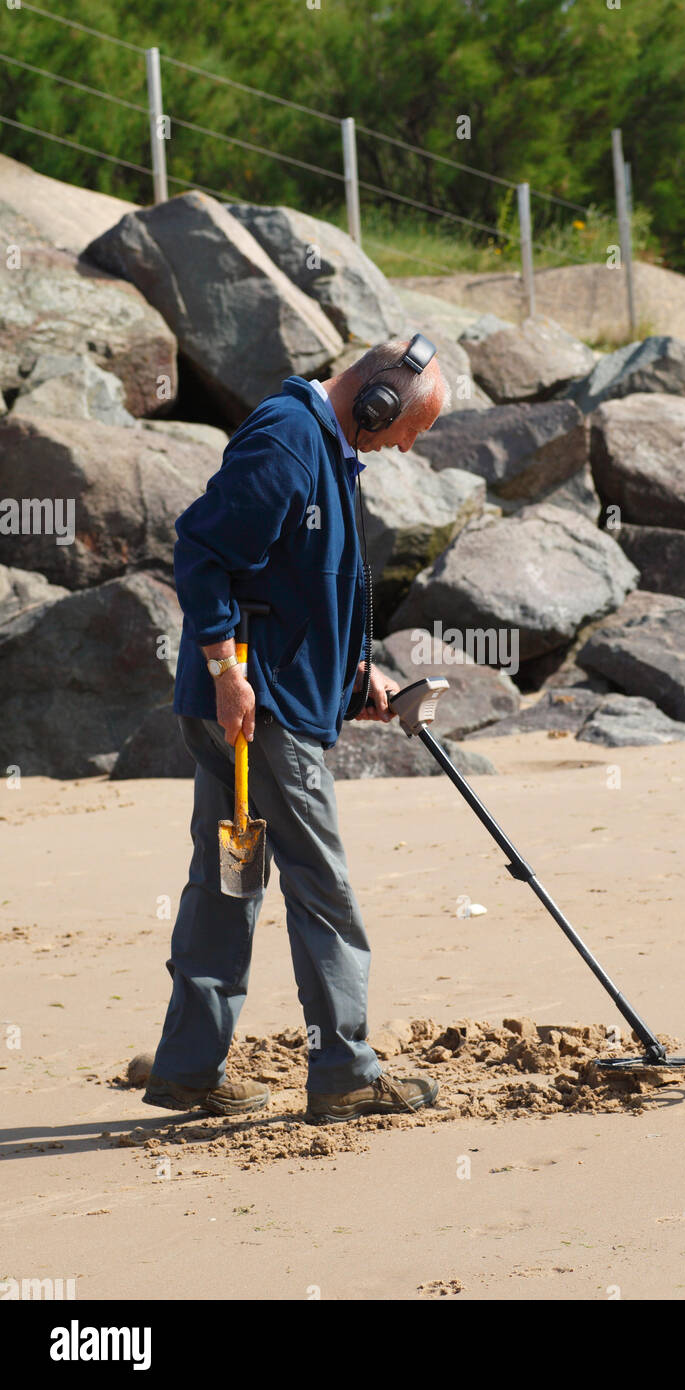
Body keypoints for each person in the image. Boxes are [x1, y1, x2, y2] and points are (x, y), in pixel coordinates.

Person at [142, 338, 450, 1124]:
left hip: (252, 708)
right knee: (322, 891)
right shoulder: (287, 437)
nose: (407, 444)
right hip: (257, 714)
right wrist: (226, 672)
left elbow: (298, 582)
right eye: (408, 427)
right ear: (376, 400)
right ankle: (345, 1071)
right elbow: (204, 551)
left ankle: (186, 1070)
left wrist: (357, 674)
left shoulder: (327, 445)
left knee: (228, 883)